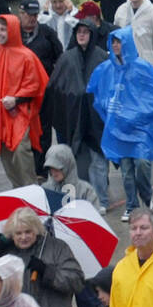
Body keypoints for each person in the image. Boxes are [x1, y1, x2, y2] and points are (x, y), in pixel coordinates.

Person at [89, 27, 153, 220]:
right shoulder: (108, 69)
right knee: (126, 170)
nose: (115, 45)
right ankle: (131, 205)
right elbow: (100, 93)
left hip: (140, 128)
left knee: (141, 164)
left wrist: (140, 113)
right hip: (120, 129)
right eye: (113, 41)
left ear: (127, 44)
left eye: (119, 41)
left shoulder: (142, 68)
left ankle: (147, 200)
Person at [44, 21, 109, 205]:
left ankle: (101, 200)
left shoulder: (101, 57)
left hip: (96, 122)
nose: (82, 35)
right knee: (80, 163)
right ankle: (83, 201)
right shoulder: (67, 58)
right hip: (75, 121)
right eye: (79, 32)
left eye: (86, 32)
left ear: (92, 34)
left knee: (98, 163)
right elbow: (55, 88)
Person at [0, 13, 48, 187]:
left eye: (3, 29)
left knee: (21, 152)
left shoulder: (26, 56)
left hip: (19, 114)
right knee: (5, 155)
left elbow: (36, 84)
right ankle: (18, 191)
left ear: (11, 30)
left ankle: (32, 190)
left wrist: (17, 99)